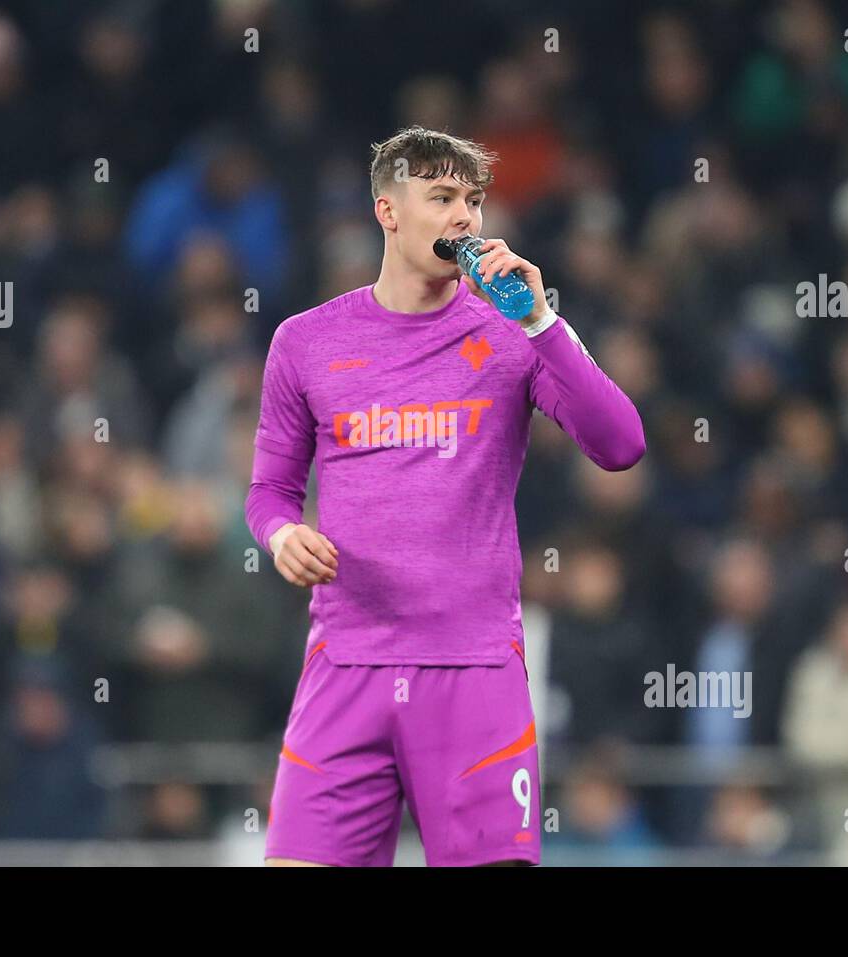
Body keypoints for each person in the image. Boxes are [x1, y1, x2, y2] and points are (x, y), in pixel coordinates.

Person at [244, 127, 646, 866]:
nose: (465, 216)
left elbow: (620, 445)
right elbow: (270, 489)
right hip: (346, 664)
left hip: (473, 671)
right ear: (387, 212)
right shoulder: (305, 342)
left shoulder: (514, 333)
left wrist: (540, 320)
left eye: (474, 200)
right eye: (442, 197)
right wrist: (279, 536)